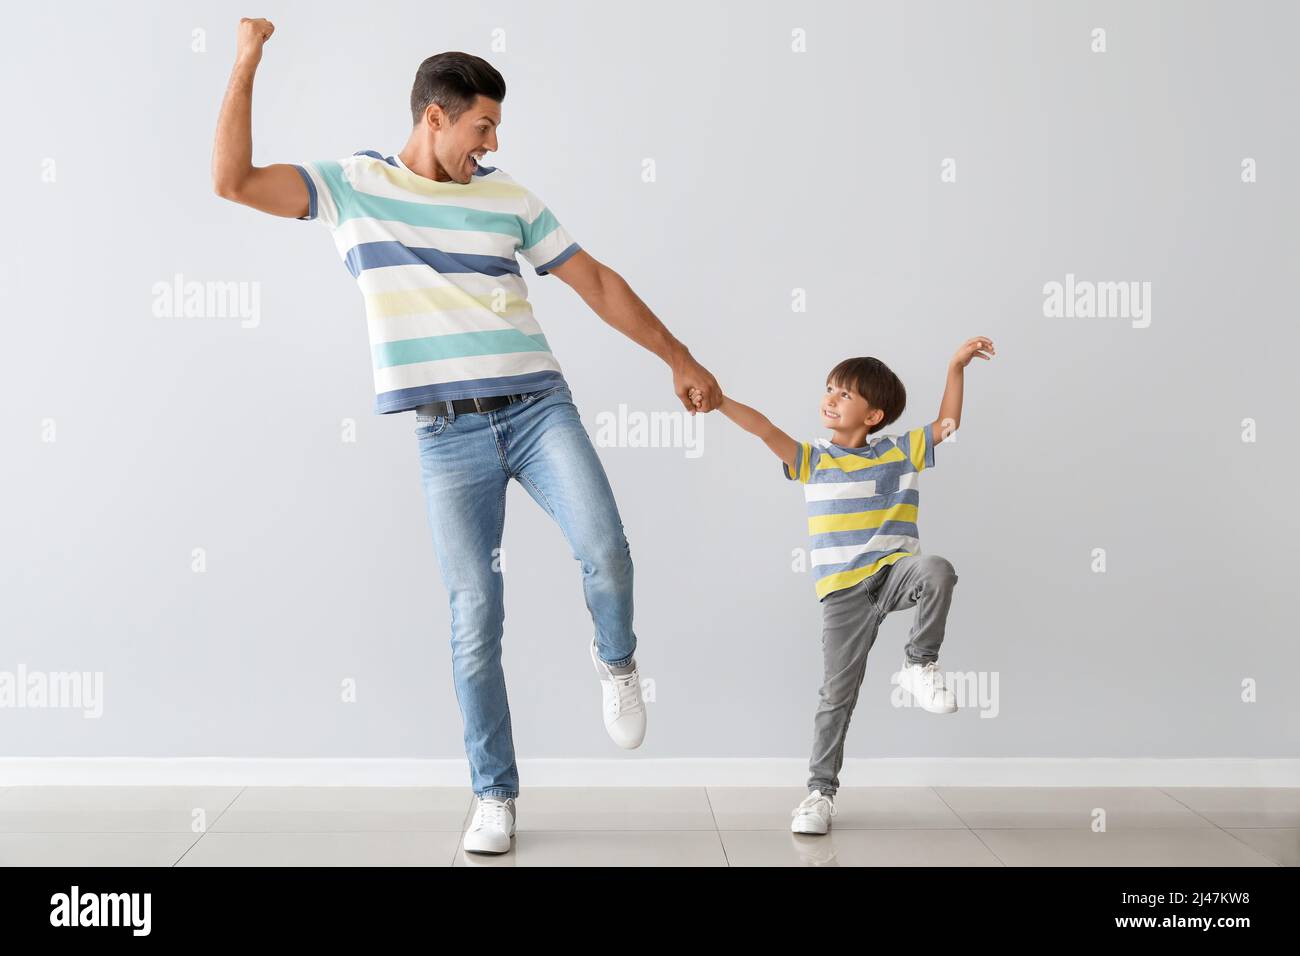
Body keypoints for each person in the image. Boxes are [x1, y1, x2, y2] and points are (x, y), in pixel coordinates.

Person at [212, 18, 722, 855]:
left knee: (607, 547)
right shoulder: (351, 185)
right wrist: (245, 62)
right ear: (434, 117)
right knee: (474, 618)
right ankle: (495, 796)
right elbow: (232, 182)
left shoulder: (508, 198)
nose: (490, 143)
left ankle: (618, 662)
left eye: (496, 129)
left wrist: (679, 357)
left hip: (537, 408)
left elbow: (594, 280)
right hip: (446, 435)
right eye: (481, 125)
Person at [692, 336, 994, 833]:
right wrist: (721, 402)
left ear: (873, 415)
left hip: (894, 573)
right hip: (843, 595)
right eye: (829, 389)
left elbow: (948, 424)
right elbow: (765, 429)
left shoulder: (899, 452)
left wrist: (956, 366)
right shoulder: (812, 459)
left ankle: (921, 665)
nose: (829, 399)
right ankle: (818, 795)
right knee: (837, 695)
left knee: (937, 568)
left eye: (844, 394)